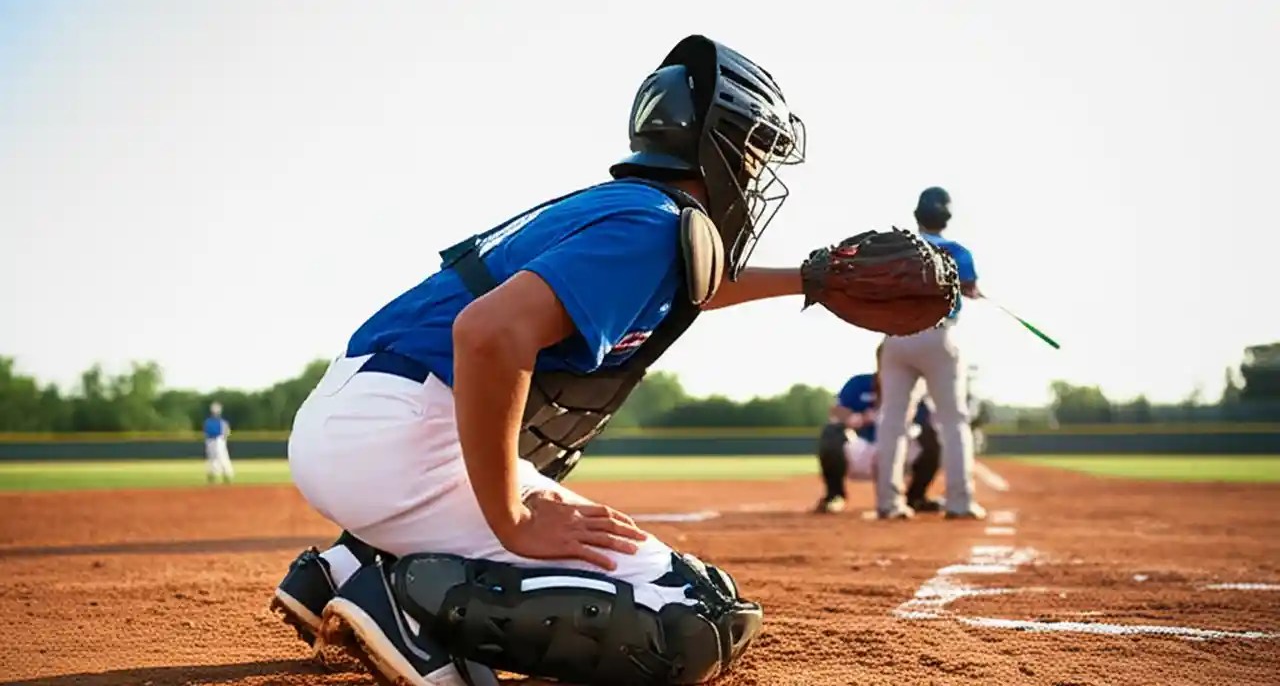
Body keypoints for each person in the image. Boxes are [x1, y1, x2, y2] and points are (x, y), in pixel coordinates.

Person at [267, 35, 822, 686]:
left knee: (630, 560)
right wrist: (514, 518)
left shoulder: (629, 210)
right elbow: (487, 333)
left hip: (366, 415)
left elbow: (702, 285)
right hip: (403, 440)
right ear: (718, 143)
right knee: (692, 617)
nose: (756, 170)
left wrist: (815, 281)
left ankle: (350, 566)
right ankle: (405, 611)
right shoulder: (652, 227)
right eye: (753, 147)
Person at [874, 186, 986, 520]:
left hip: (895, 337)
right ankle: (959, 502)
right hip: (938, 336)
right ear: (946, 218)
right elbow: (969, 287)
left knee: (892, 422)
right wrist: (973, 290)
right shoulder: (957, 251)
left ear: (916, 215)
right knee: (953, 422)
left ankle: (889, 503)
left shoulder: (897, 250)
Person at [815, 352, 942, 514]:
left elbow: (928, 421)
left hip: (900, 452)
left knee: (933, 435)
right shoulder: (859, 383)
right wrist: (855, 418)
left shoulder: (914, 389)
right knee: (831, 432)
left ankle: (916, 497)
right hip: (864, 449)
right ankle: (834, 495)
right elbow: (836, 411)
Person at [202, 401, 233, 485]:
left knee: (221, 457)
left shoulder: (222, 422)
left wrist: (223, 439)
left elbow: (227, 432)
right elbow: (205, 432)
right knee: (212, 458)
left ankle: (226, 475)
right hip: (210, 441)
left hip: (219, 440)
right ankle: (213, 475)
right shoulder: (208, 421)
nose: (215, 412)